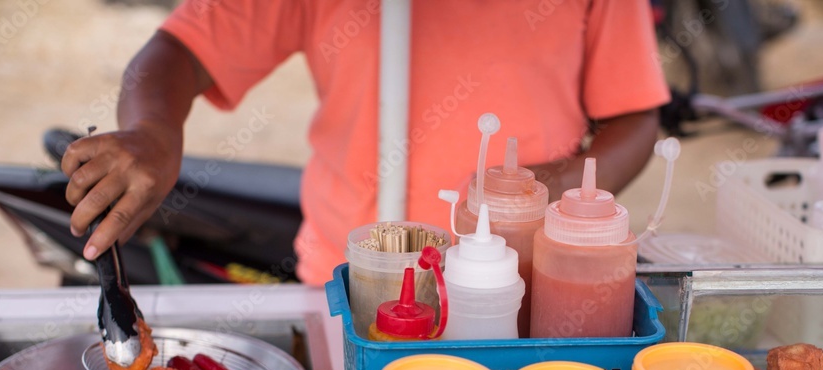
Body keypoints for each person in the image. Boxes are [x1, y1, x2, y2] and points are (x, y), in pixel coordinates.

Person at [61, 0, 670, 285]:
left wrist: (561, 183)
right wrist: (154, 129)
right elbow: (179, 51)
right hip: (352, 280)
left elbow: (637, 119)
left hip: (528, 285)